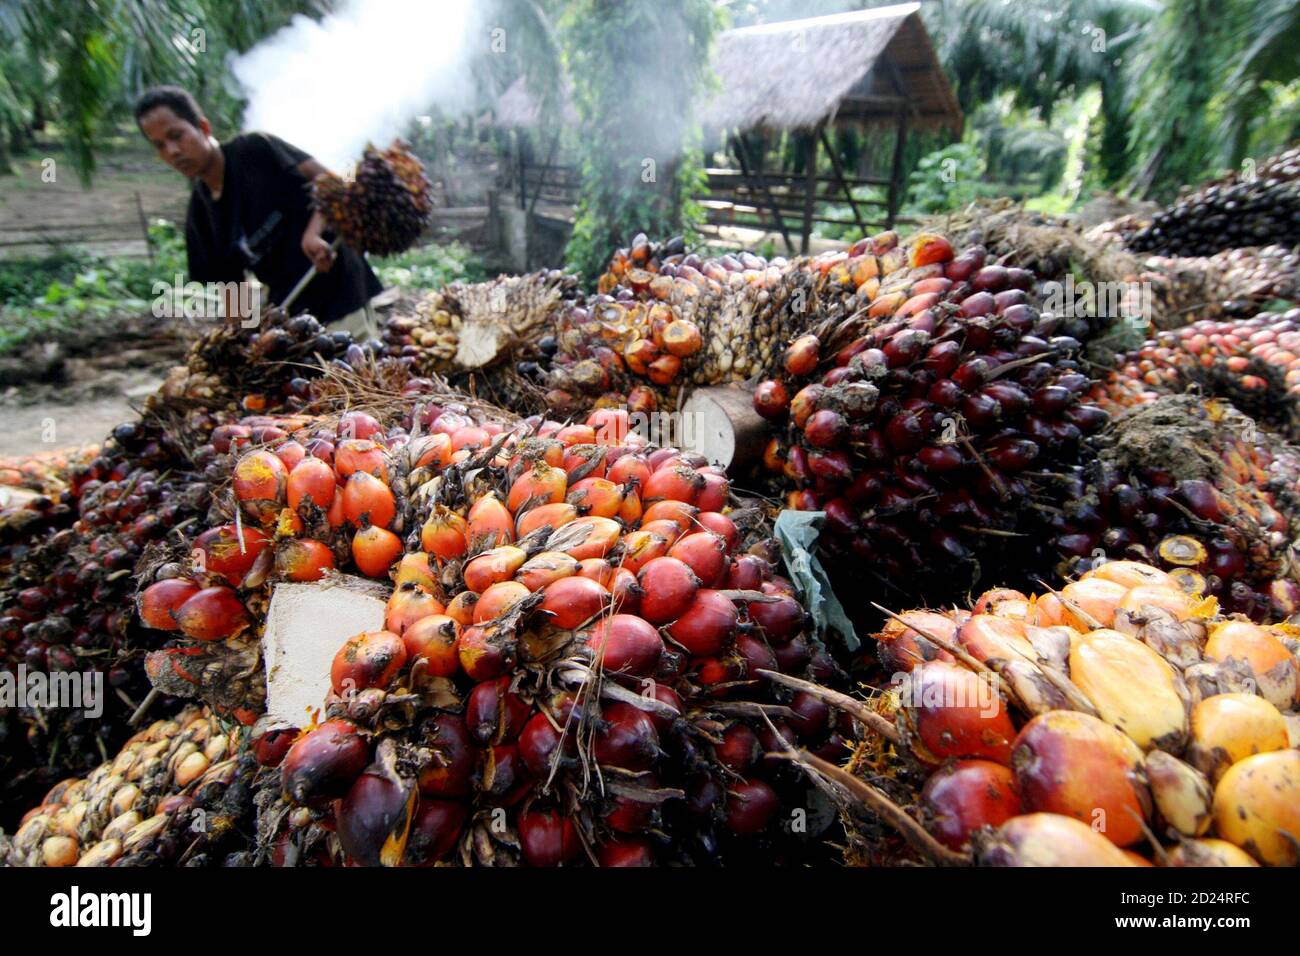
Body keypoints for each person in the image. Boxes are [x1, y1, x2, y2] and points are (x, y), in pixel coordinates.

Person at [135, 86, 381, 335]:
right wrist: (241, 341)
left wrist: (313, 233)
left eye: (177, 135)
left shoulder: (255, 150)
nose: (173, 151)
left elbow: (335, 182)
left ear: (203, 127)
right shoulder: (200, 216)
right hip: (294, 316)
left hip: (341, 290)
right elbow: (233, 288)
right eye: (160, 146)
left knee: (356, 369)